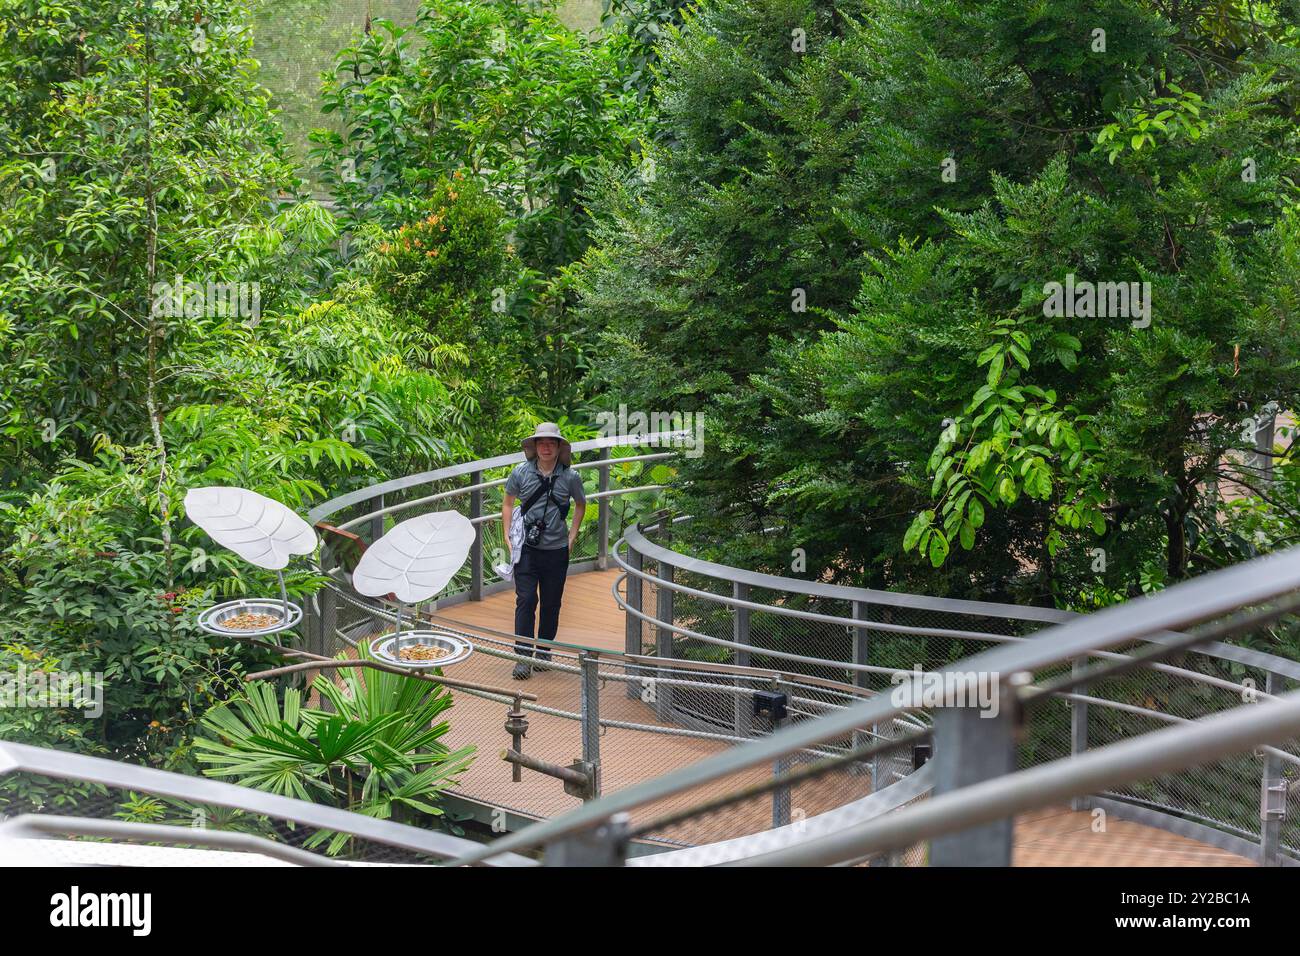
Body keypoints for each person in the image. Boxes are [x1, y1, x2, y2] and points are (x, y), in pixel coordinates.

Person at [502, 423, 586, 679]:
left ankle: (544, 650)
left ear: (559, 447)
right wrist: (508, 535)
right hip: (526, 548)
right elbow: (507, 502)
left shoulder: (570, 477)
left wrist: (572, 535)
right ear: (535, 447)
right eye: (541, 442)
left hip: (557, 550)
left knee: (551, 604)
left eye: (551, 442)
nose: (546, 447)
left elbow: (581, 504)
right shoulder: (521, 472)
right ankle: (522, 657)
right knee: (525, 600)